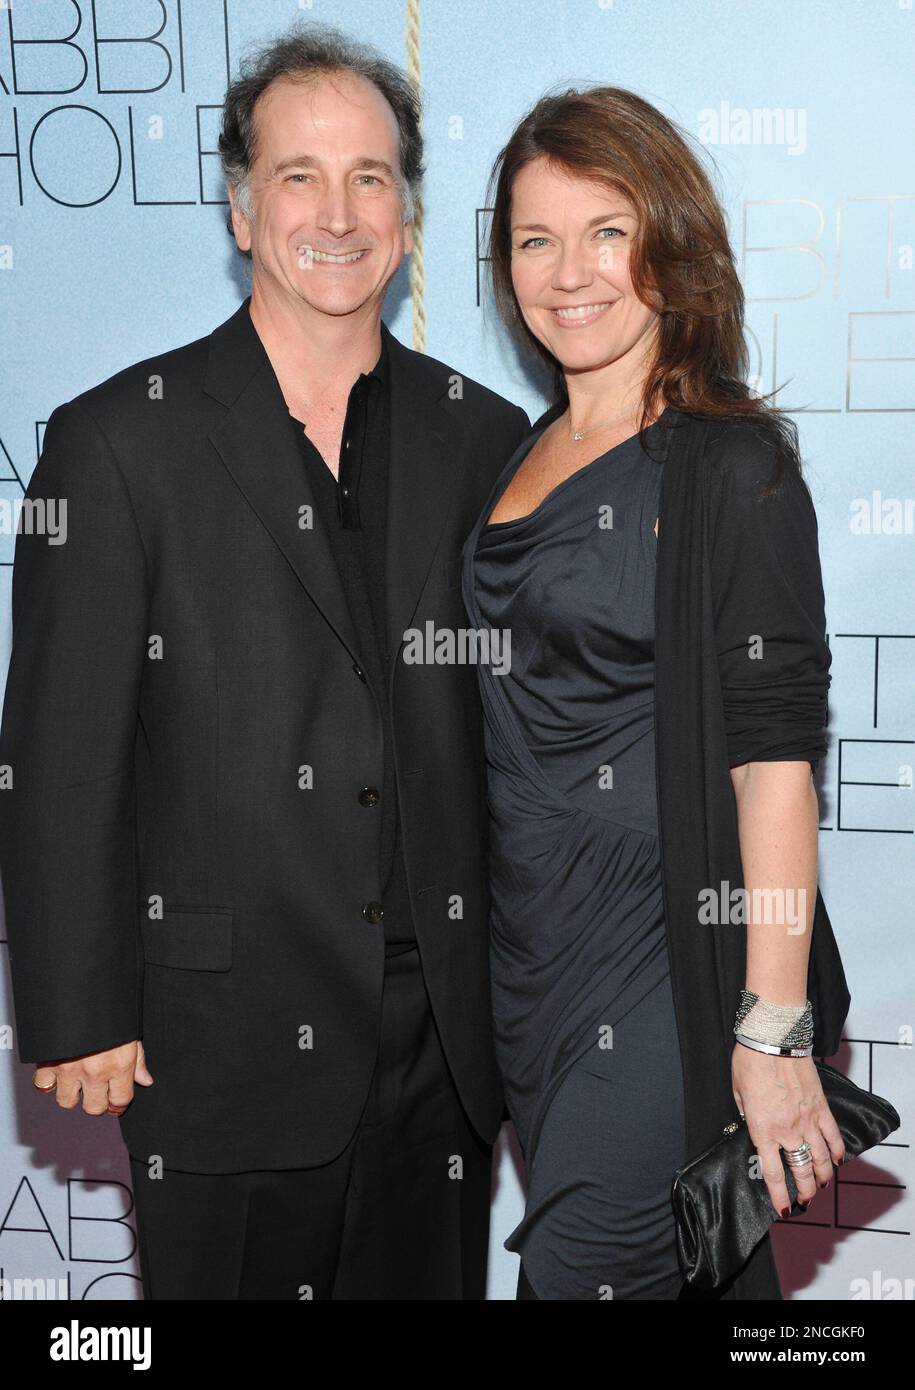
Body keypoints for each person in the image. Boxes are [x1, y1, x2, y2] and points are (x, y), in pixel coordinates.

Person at [0, 24, 530, 1300]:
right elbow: (58, 753)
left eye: (370, 177)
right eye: (299, 175)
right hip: (217, 1045)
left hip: (444, 1052)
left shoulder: (489, 438)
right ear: (242, 208)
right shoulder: (118, 443)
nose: (337, 213)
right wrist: (76, 1010)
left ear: (407, 212)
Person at [461, 84, 851, 1301]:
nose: (568, 271)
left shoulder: (730, 467)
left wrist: (772, 1030)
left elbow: (775, 762)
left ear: (670, 245)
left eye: (608, 231)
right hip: (529, 972)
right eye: (536, 239)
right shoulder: (512, 453)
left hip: (657, 970)